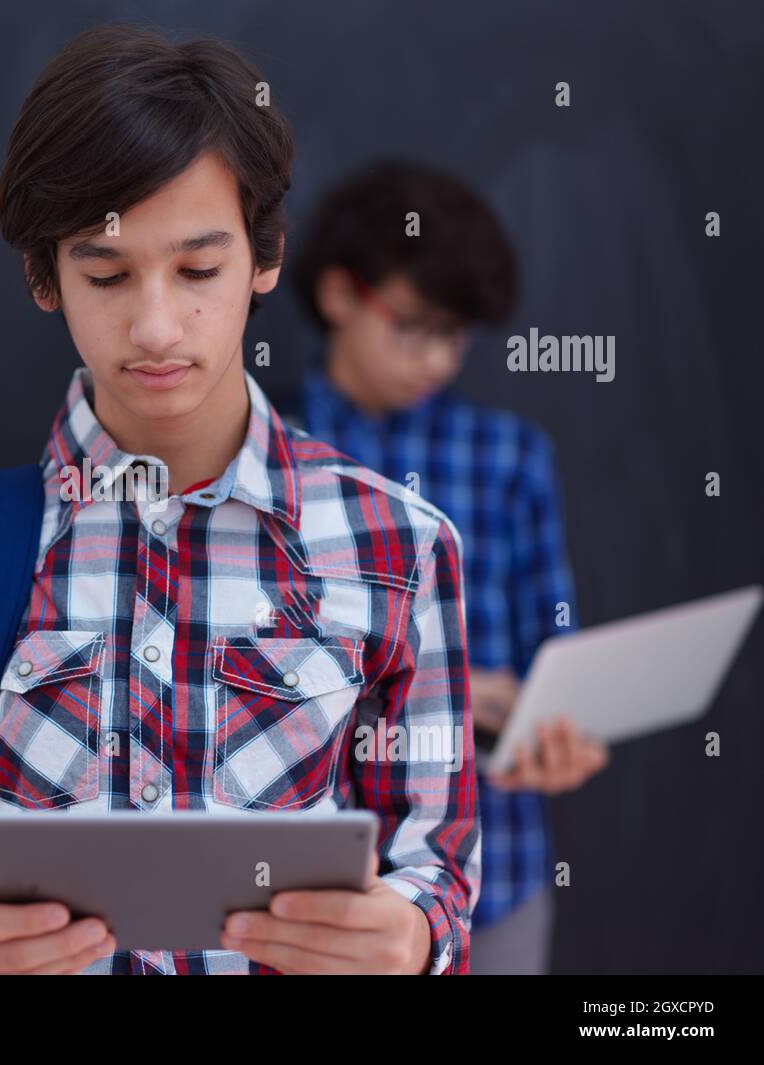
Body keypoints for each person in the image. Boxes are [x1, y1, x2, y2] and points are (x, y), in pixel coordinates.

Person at [0, 26, 478, 976]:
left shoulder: (399, 545)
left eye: (199, 270)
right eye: (107, 274)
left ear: (266, 256)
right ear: (46, 276)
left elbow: (436, 864)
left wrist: (408, 935)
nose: (158, 325)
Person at [286, 159, 610, 974]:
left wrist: (559, 726)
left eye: (456, 334)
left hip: (493, 874)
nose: (437, 358)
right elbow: (238, 689)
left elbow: (556, 648)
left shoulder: (510, 457)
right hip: (308, 888)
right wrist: (441, 706)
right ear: (338, 296)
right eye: (415, 324)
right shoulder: (259, 457)